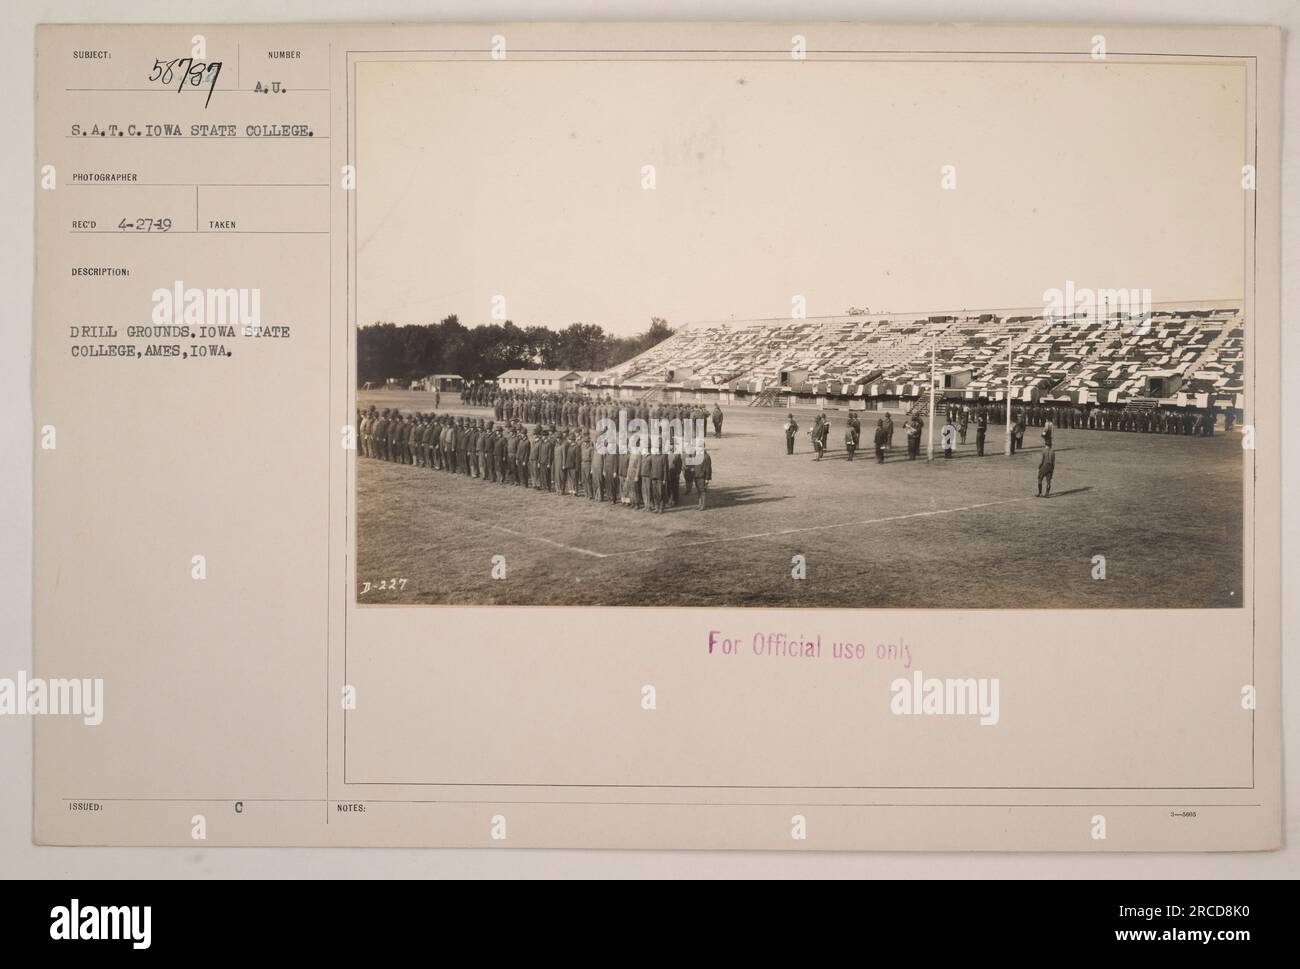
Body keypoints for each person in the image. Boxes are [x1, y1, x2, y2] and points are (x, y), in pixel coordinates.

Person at [695, 440, 712, 510]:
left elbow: (708, 469)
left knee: (703, 491)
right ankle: (699, 504)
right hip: (696, 476)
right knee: (698, 491)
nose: (697, 448)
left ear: (703, 447)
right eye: (696, 446)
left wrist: (707, 478)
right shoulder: (696, 455)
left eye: (699, 446)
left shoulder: (706, 457)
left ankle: (703, 505)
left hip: (702, 477)